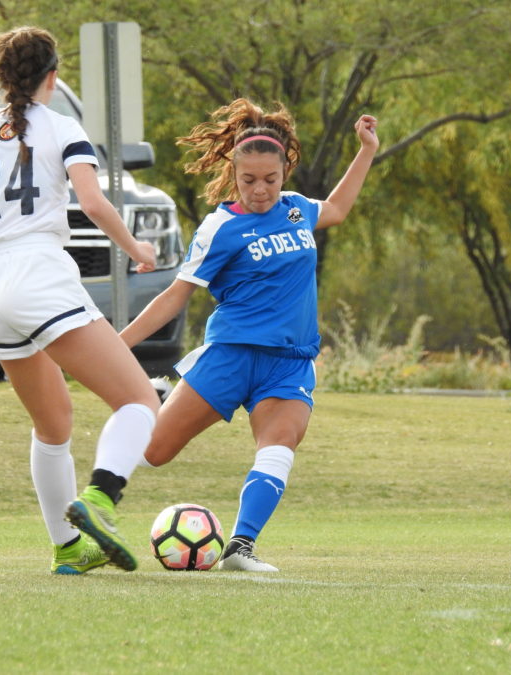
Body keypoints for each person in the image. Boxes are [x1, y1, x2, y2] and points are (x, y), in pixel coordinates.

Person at [0, 26, 160, 574]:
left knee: (53, 426)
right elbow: (92, 202)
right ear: (53, 76)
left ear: (1, 77)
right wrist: (136, 245)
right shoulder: (62, 126)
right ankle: (99, 498)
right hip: (38, 276)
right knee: (141, 403)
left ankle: (68, 548)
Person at [121, 98, 379, 571]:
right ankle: (138, 421)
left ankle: (240, 547)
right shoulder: (221, 228)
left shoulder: (299, 211)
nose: (260, 190)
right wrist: (117, 346)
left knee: (280, 444)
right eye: (249, 180)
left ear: (286, 171)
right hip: (231, 356)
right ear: (233, 175)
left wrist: (365, 150)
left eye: (271, 180)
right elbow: (176, 296)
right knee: (155, 453)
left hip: (289, 362)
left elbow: (338, 208)